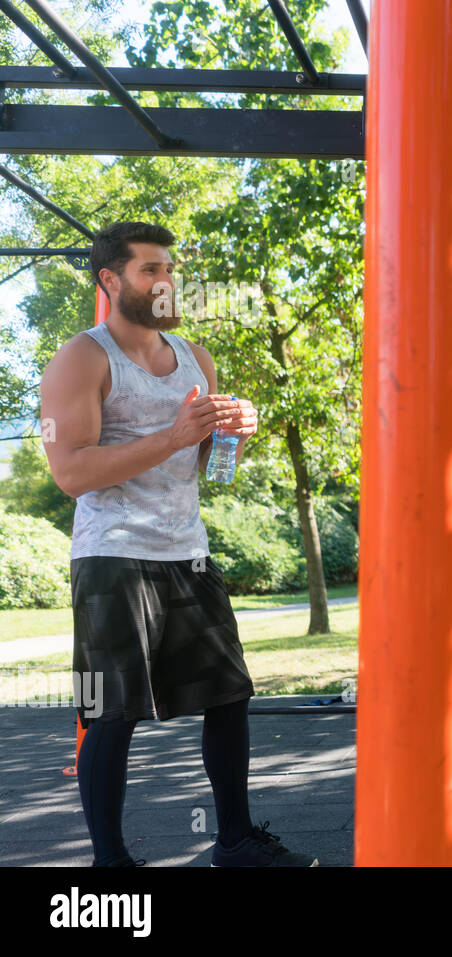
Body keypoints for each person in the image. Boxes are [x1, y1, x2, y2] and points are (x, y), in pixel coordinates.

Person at [39, 221, 316, 867]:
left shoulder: (193, 356)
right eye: (149, 270)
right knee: (112, 713)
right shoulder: (83, 356)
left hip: (186, 550)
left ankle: (235, 839)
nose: (166, 281)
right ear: (110, 279)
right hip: (112, 555)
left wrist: (232, 435)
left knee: (229, 695)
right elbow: (71, 472)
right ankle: (111, 863)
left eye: (169, 268)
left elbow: (207, 472)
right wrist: (170, 434)